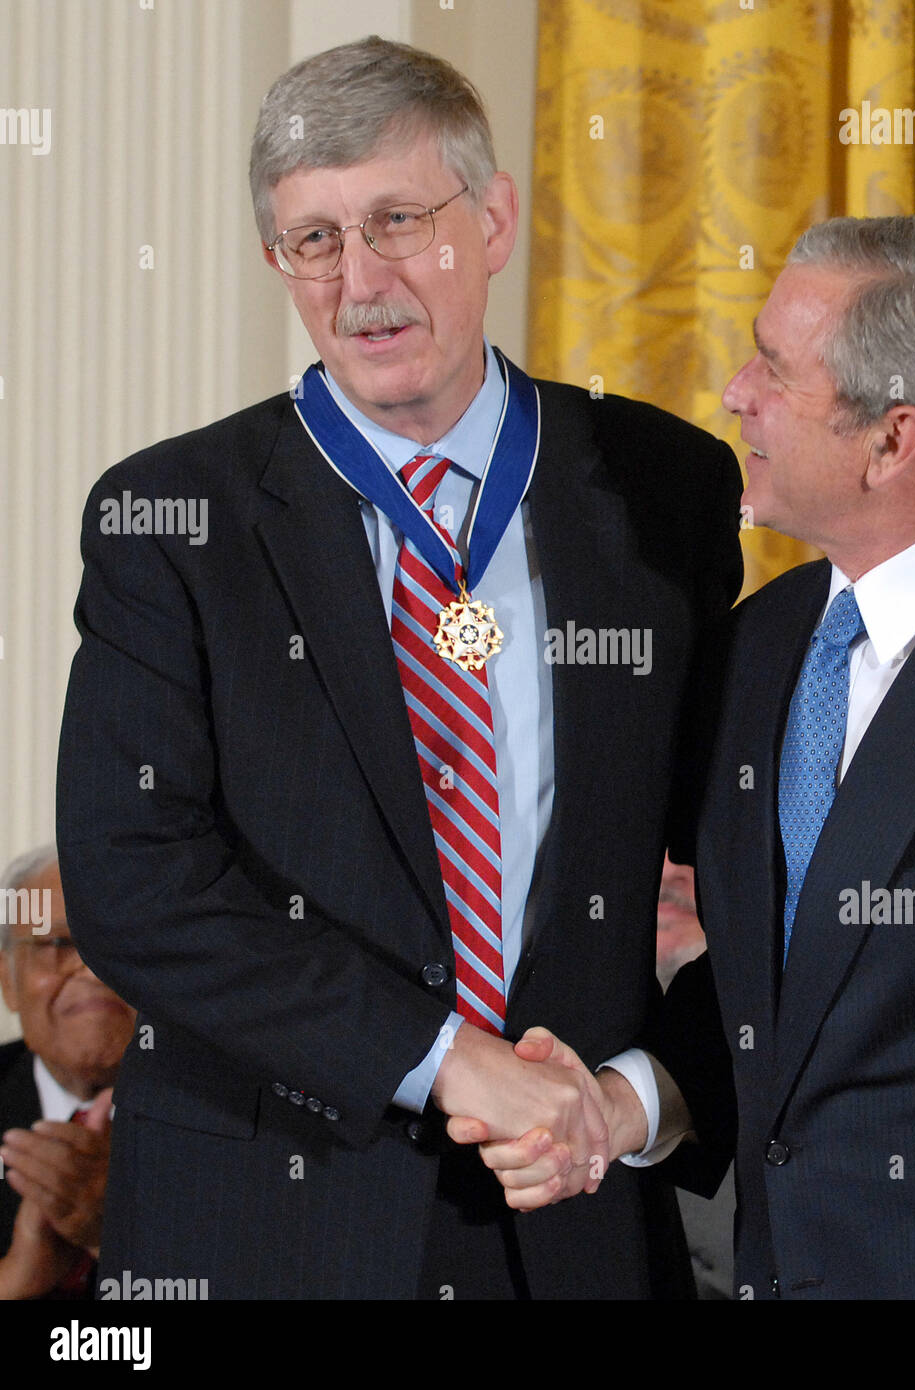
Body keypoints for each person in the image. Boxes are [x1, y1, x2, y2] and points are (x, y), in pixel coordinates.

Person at [55, 37, 741, 1299]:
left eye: (395, 220)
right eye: (311, 240)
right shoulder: (171, 516)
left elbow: (757, 863)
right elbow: (134, 879)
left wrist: (637, 1095)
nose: (356, 279)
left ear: (491, 220)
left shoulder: (664, 488)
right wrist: (439, 1055)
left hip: (571, 1209)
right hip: (265, 1220)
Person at [478, 216, 915, 1300]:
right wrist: (623, 1102)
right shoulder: (750, 648)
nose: (732, 392)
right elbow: (789, 995)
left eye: (773, 366)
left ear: (891, 438)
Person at [0, 847, 134, 1299]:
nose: (92, 969)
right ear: (7, 981)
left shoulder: (250, 1116)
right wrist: (14, 1280)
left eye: (117, 943)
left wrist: (113, 1234)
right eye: (59, 944)